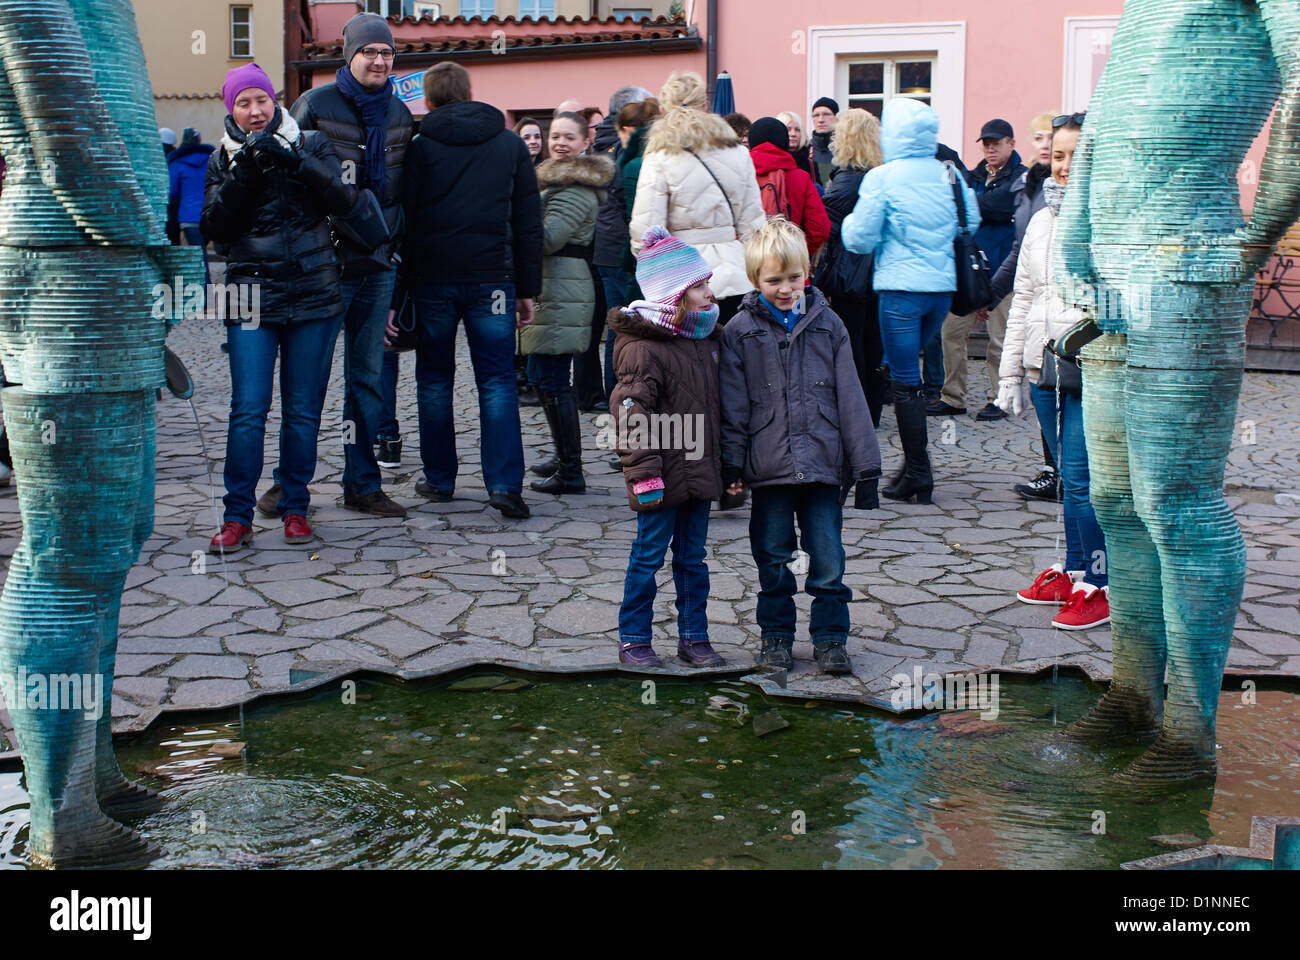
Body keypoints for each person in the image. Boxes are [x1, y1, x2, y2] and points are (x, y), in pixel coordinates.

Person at [262, 11, 414, 520]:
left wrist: (395, 254)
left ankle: (362, 483)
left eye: (387, 53)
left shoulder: (399, 114)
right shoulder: (314, 104)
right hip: (325, 263)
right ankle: (289, 486)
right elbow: (290, 180)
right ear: (349, 55)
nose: (378, 60)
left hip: (377, 264)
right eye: (369, 51)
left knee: (367, 378)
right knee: (309, 382)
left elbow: (400, 194)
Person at [203, 64, 356, 552]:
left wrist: (294, 161)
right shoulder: (220, 160)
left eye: (261, 101)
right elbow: (215, 230)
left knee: (302, 410)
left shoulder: (311, 143)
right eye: (243, 103)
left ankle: (294, 507)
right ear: (231, 109)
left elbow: (343, 197)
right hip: (249, 296)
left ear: (276, 102)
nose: (254, 111)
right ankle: (237, 517)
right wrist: (244, 175)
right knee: (248, 409)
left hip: (313, 292)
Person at [721, 218, 880, 674]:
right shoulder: (740, 331)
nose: (786, 288)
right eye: (774, 281)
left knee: (828, 561)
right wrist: (732, 464)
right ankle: (776, 637)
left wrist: (865, 464)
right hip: (768, 466)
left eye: (794, 278)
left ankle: (831, 638)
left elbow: (851, 395)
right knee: (773, 560)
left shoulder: (829, 325)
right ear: (755, 280)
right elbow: (733, 406)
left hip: (823, 465)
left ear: (806, 272)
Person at [395, 62, 543, 520]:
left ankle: (440, 479)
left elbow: (407, 221)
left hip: (434, 280)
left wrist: (402, 289)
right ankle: (504, 485)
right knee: (497, 382)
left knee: (435, 380)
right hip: (493, 280)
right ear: (469, 92)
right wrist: (526, 288)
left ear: (431, 101)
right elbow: (527, 224)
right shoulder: (510, 144)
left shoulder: (419, 148)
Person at [994, 114, 1109, 630]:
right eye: (1058, 156)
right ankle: (1075, 568)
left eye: (1076, 156)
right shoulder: (1041, 218)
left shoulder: (1110, 223)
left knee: (1085, 482)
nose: (1064, 166)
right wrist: (1010, 374)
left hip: (1090, 369)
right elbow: (1024, 299)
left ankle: (1101, 585)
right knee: (1067, 479)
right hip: (1045, 370)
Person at [842, 97, 979, 505]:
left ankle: (918, 472)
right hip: (942, 289)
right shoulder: (949, 173)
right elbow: (968, 222)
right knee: (908, 377)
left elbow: (859, 238)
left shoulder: (883, 177)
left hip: (900, 289)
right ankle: (913, 469)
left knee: (904, 381)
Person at [608, 226, 726, 668]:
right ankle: (634, 637)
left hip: (699, 468)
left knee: (693, 560)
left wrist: (727, 469)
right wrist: (644, 475)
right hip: (660, 475)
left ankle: (694, 636)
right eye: (698, 286)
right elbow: (631, 415)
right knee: (648, 557)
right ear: (673, 295)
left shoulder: (707, 338)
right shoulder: (643, 348)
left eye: (708, 283)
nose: (709, 294)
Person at [520, 112, 612, 496]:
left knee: (555, 381)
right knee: (544, 378)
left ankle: (572, 471)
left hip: (563, 289)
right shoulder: (555, 183)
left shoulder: (574, 186)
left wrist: (515, 222)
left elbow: (548, 238)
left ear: (584, 141)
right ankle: (563, 456)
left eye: (568, 137)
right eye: (555, 135)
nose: (559, 142)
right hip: (554, 287)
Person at [630, 72, 765, 326]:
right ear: (705, 106)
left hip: (683, 281)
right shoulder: (738, 153)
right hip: (736, 274)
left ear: (662, 109)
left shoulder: (660, 157)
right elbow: (754, 225)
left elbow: (646, 231)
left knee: (690, 361)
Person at [987, 111, 1063, 503]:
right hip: (1036, 314)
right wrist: (990, 292)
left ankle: (1065, 474)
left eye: (1054, 138)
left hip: (1068, 324)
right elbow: (1021, 252)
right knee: (1045, 393)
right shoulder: (1031, 186)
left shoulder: (1066, 196)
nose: (1047, 145)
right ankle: (1055, 471)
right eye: (1041, 137)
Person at [931, 118, 1025, 421]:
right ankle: (952, 397)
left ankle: (1000, 399)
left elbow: (999, 205)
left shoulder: (1022, 178)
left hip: (1003, 271)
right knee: (951, 332)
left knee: (1000, 340)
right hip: (971, 270)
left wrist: (971, 201)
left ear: (1011, 143)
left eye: (996, 143)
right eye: (986, 143)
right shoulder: (973, 175)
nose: (990, 148)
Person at [817, 108, 886, 508]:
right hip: (877, 273)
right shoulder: (880, 177)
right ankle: (871, 423)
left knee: (851, 350)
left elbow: (825, 226)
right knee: (872, 352)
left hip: (848, 275)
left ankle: (855, 427)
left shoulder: (845, 183)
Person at [583, 86, 652, 415]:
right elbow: (631, 202)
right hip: (621, 249)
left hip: (609, 247)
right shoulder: (624, 144)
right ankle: (621, 404)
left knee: (619, 328)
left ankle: (621, 399)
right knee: (622, 329)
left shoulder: (603, 142)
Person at [747, 117, 830, 258]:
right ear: (784, 142)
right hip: (790, 268)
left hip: (747, 267)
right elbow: (820, 229)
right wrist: (797, 256)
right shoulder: (801, 178)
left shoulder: (741, 177)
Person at [166, 127, 215, 282]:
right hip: (212, 214)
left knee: (198, 256)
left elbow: (172, 191)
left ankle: (204, 294)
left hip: (189, 217)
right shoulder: (212, 158)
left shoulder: (177, 162)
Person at [809, 96, 838, 190]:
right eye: (816, 115)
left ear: (836, 118)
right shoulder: (805, 150)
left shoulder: (846, 150)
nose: (821, 120)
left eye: (826, 114)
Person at [775, 111, 815, 179]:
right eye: (788, 129)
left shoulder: (810, 164)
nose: (793, 134)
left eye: (797, 130)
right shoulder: (772, 161)